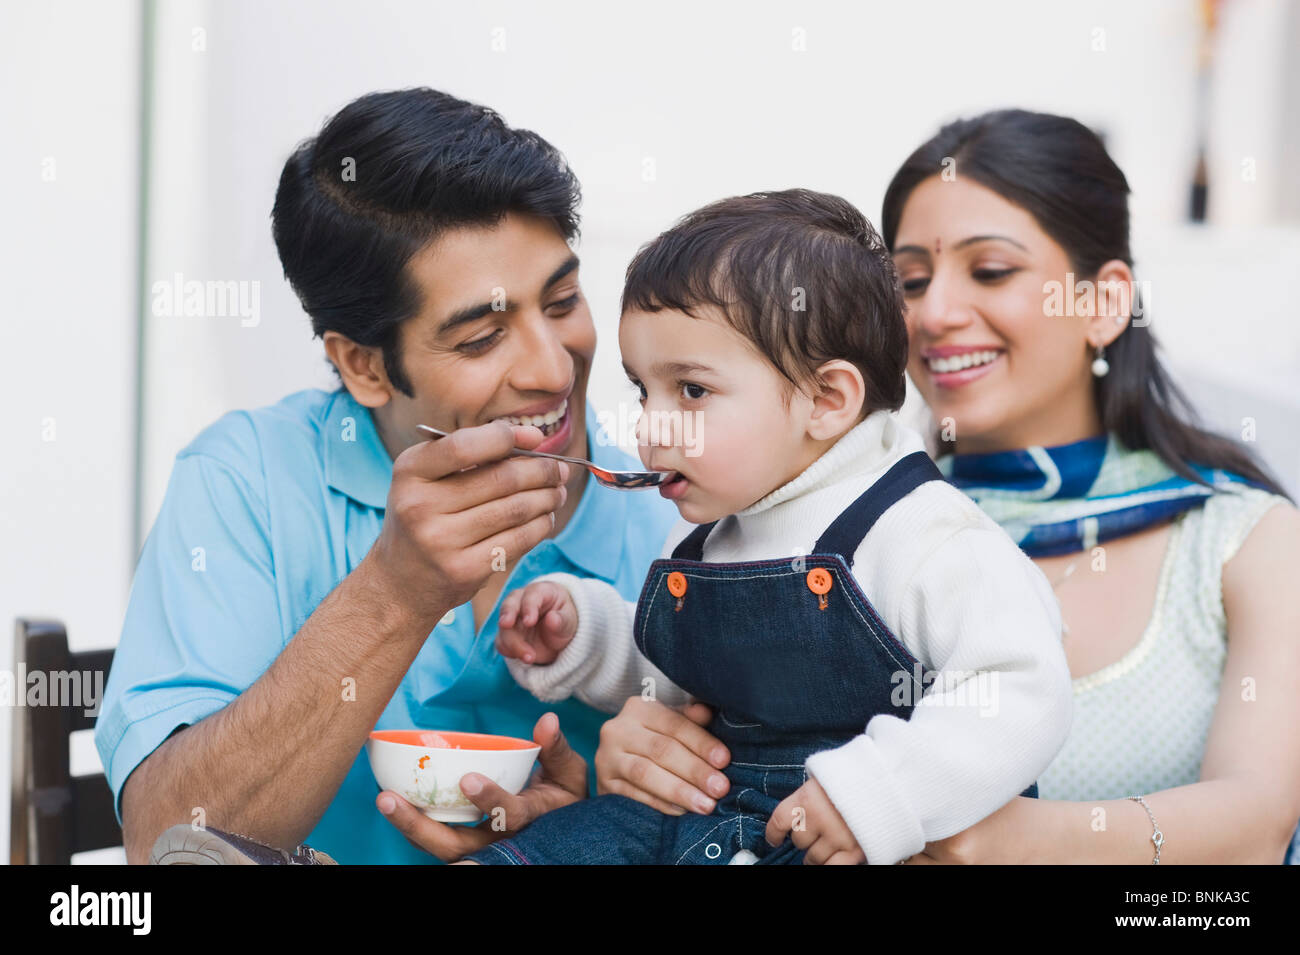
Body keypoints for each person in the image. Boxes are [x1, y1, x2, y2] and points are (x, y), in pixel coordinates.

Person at [590, 110, 1300, 865]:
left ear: (1103, 301)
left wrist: (1012, 842)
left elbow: (1258, 826)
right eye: (909, 282)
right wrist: (652, 757)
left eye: (990, 270)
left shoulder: (1246, 541)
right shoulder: (804, 522)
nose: (933, 314)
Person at [94, 87, 677, 864]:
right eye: (481, 338)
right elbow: (168, 842)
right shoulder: (248, 482)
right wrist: (394, 593)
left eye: (564, 299)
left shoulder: (677, 509)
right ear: (364, 366)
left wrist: (589, 827)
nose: (551, 366)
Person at [463, 189, 1073, 865]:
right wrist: (588, 636)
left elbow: (1020, 688)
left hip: (853, 840)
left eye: (691, 390)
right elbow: (680, 687)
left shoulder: (928, 535)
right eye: (643, 390)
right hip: (711, 818)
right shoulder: (708, 531)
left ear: (827, 400)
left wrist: (879, 794)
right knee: (566, 842)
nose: (648, 426)